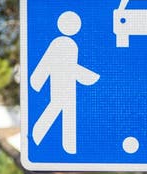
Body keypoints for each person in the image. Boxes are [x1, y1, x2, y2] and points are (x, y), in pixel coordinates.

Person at [30, 11, 99, 154]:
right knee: (58, 107)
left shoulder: (71, 45)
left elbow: (69, 66)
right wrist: (37, 80)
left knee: (68, 112)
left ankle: (69, 147)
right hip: (60, 82)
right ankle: (39, 134)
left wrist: (85, 75)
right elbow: (47, 63)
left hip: (69, 84)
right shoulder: (60, 43)